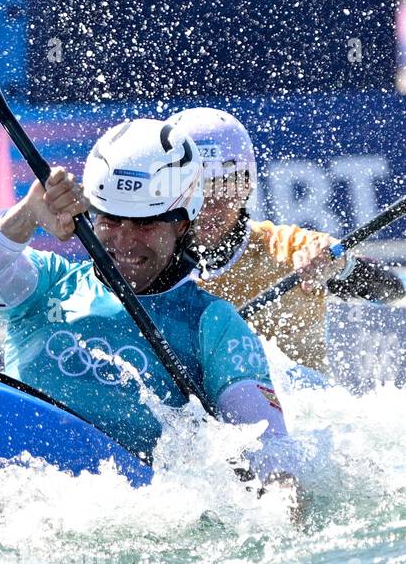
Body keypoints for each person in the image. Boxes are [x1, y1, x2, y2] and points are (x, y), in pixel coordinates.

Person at [0, 118, 297, 484]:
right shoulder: (47, 286)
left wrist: (273, 486)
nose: (126, 241)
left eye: (146, 223)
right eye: (112, 220)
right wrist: (27, 213)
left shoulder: (213, 324)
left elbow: (274, 458)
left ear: (183, 223)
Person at [169, 107, 405, 375]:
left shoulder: (292, 250)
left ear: (247, 187)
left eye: (225, 189)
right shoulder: (148, 263)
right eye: (195, 192)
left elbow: (393, 290)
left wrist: (341, 268)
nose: (210, 207)